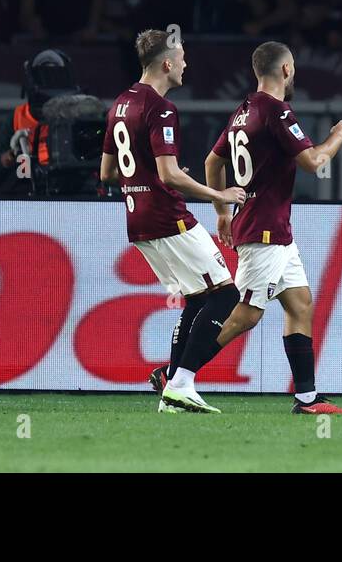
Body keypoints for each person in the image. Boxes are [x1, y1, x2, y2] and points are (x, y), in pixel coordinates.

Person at [100, 29, 246, 415]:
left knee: (197, 297)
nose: (186, 64)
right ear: (167, 63)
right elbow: (169, 176)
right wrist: (221, 195)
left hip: (137, 218)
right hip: (168, 216)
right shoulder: (161, 107)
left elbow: (107, 172)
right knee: (228, 296)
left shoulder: (119, 104)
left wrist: (151, 176)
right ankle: (181, 382)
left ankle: (171, 384)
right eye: (181, 58)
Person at [205, 41, 342, 415]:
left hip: (272, 230)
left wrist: (222, 213)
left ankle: (306, 398)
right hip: (264, 228)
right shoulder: (276, 111)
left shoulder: (243, 112)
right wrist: (339, 135)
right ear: (286, 70)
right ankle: (178, 371)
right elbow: (314, 161)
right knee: (249, 313)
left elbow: (212, 161)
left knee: (300, 304)